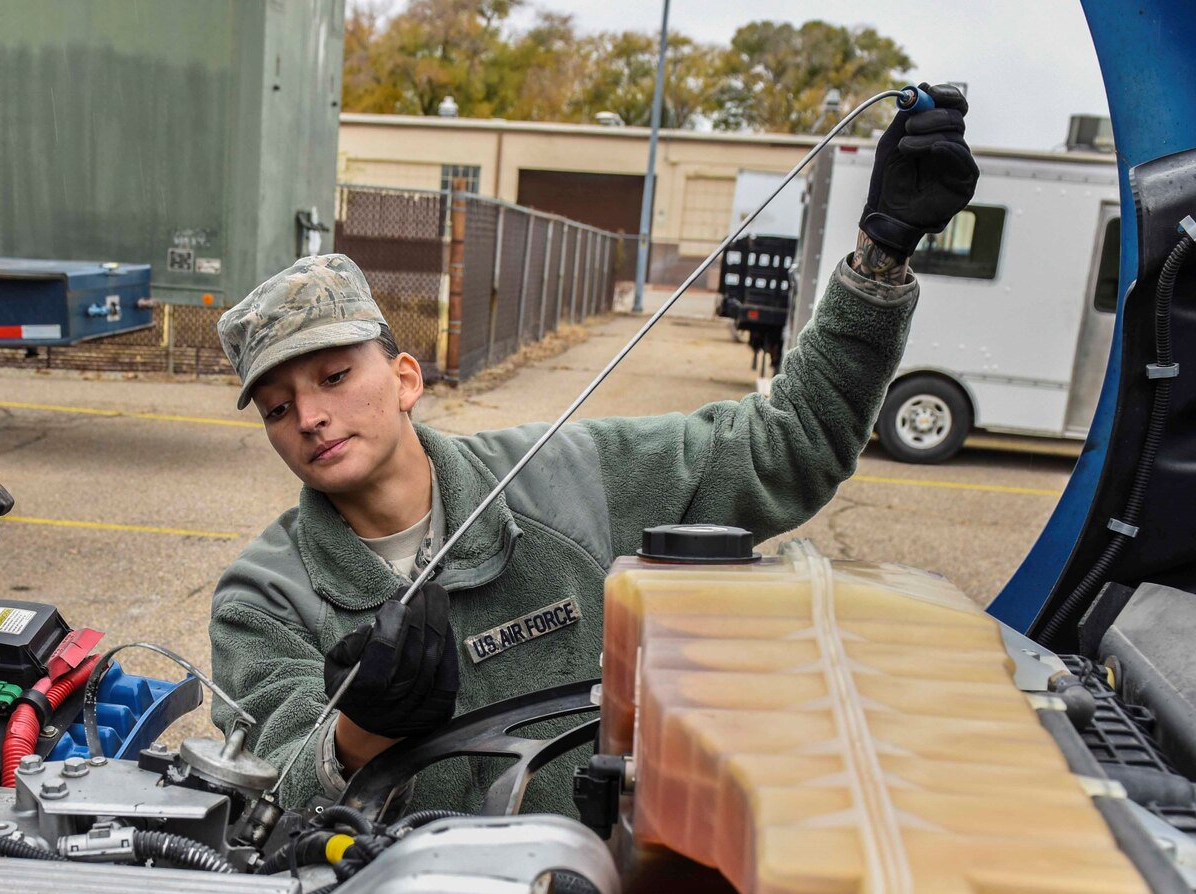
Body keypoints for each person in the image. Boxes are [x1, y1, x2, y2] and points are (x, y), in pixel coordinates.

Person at [208, 86, 978, 814]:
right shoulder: (264, 597)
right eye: (279, 407)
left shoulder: (568, 482)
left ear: (405, 378)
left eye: (335, 375)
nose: (310, 415)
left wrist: (880, 258)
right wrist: (357, 736)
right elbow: (267, 803)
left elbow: (788, 445)